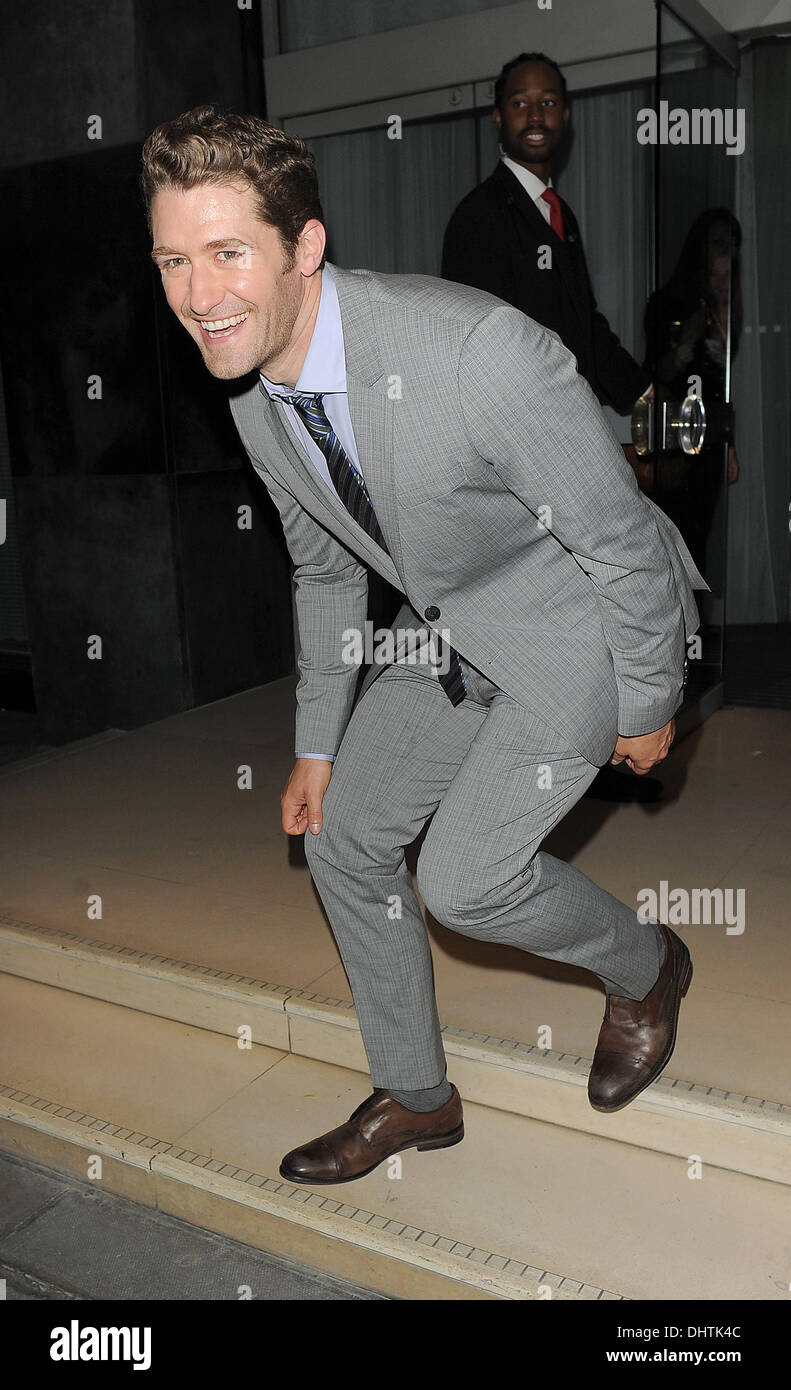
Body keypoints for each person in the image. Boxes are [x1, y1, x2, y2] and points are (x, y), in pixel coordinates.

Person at [141, 105, 705, 1186]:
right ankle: (414, 1092)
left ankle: (646, 966)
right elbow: (323, 567)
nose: (198, 298)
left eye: (226, 255)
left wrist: (645, 699)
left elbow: (618, 537)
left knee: (465, 879)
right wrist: (318, 744)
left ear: (304, 248)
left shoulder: (475, 351)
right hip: (452, 625)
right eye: (173, 260)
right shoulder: (253, 388)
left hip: (579, 615)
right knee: (346, 837)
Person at [442, 51, 660, 803]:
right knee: (549, 604)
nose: (534, 115)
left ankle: (590, 744)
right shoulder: (481, 218)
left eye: (548, 102)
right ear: (497, 117)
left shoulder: (555, 216)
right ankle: (561, 750)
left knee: (580, 598)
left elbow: (585, 330)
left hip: (564, 438)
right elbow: (473, 347)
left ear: (565, 116)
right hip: (520, 454)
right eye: (519, 102)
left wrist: (646, 398)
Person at [643, 208, 742, 581]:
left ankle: (695, 626)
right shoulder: (668, 303)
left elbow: (722, 382)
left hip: (710, 435)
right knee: (676, 534)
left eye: (732, 244)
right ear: (700, 248)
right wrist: (687, 340)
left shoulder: (723, 302)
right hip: (676, 436)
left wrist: (730, 443)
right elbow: (654, 374)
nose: (727, 253)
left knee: (700, 534)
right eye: (718, 243)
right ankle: (682, 627)